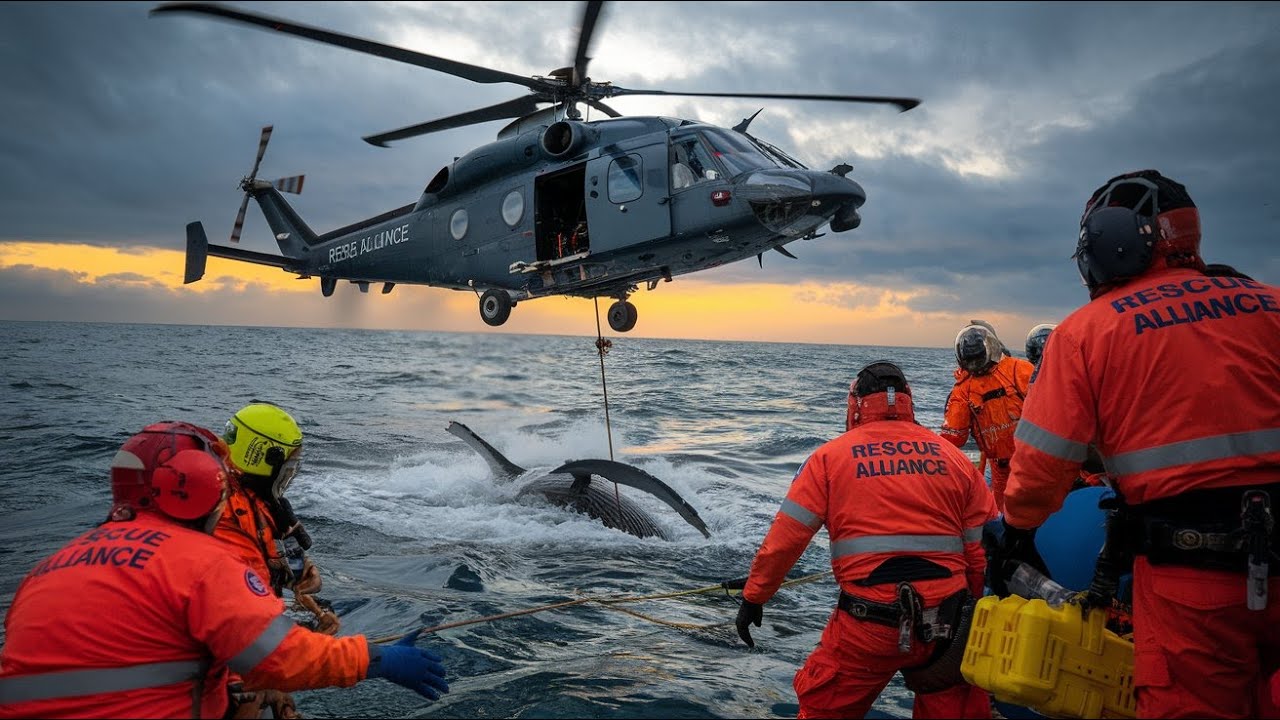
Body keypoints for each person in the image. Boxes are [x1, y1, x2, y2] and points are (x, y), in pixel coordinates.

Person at [997, 169, 1280, 718]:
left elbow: (1041, 465)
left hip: (1190, 579)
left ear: (1110, 239)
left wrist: (1018, 530)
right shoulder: (1268, 305)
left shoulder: (1088, 332)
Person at [0, 421, 449, 718]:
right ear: (199, 487)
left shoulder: (48, 567)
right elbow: (276, 658)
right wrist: (375, 659)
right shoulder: (202, 563)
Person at [736, 362, 996, 718]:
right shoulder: (955, 459)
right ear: (908, 401)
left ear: (855, 405)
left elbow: (785, 541)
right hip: (946, 623)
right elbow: (983, 551)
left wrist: (754, 596)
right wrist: (973, 614)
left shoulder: (828, 459)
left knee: (824, 709)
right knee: (955, 707)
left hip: (869, 624)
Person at [218, 402, 332, 630]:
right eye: (289, 465)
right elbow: (239, 595)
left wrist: (299, 574)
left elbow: (266, 562)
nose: (291, 473)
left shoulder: (257, 504)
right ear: (267, 459)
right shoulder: (225, 511)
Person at [939, 324, 1035, 512]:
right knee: (1004, 513)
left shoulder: (1018, 370)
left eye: (977, 358)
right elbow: (954, 436)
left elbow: (1047, 407)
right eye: (971, 360)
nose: (975, 364)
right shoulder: (963, 389)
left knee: (1036, 508)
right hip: (1002, 466)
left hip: (1031, 459)